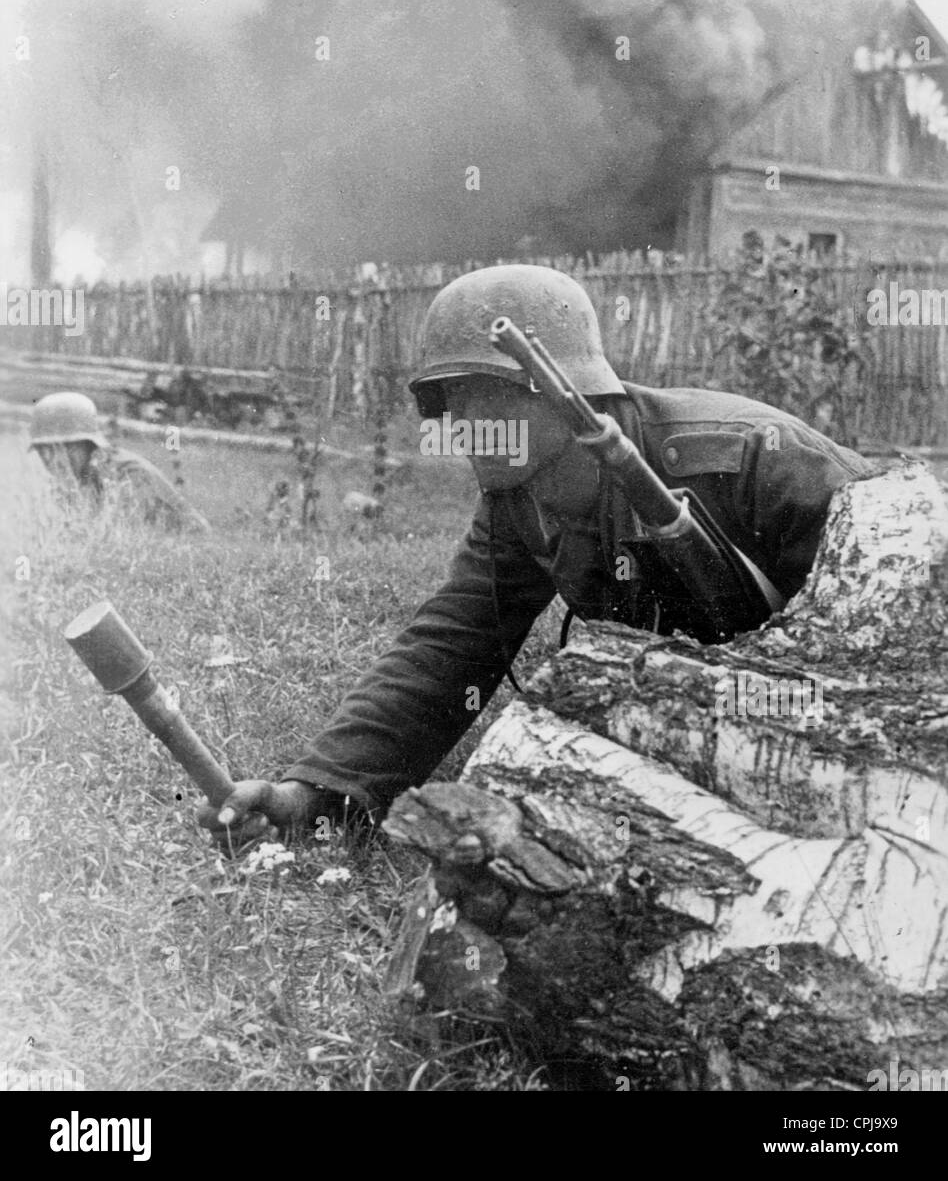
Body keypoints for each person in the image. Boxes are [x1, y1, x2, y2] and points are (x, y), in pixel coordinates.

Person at [199, 265, 874, 846]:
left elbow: (899, 613)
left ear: (569, 393)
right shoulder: (520, 501)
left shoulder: (752, 460)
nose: (463, 426)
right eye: (450, 402)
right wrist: (317, 795)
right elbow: (454, 644)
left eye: (483, 394)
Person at [29, 391, 211, 533]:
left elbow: (121, 535)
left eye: (65, 448)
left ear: (88, 445)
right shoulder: (78, 478)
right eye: (45, 451)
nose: (54, 460)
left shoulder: (127, 473)